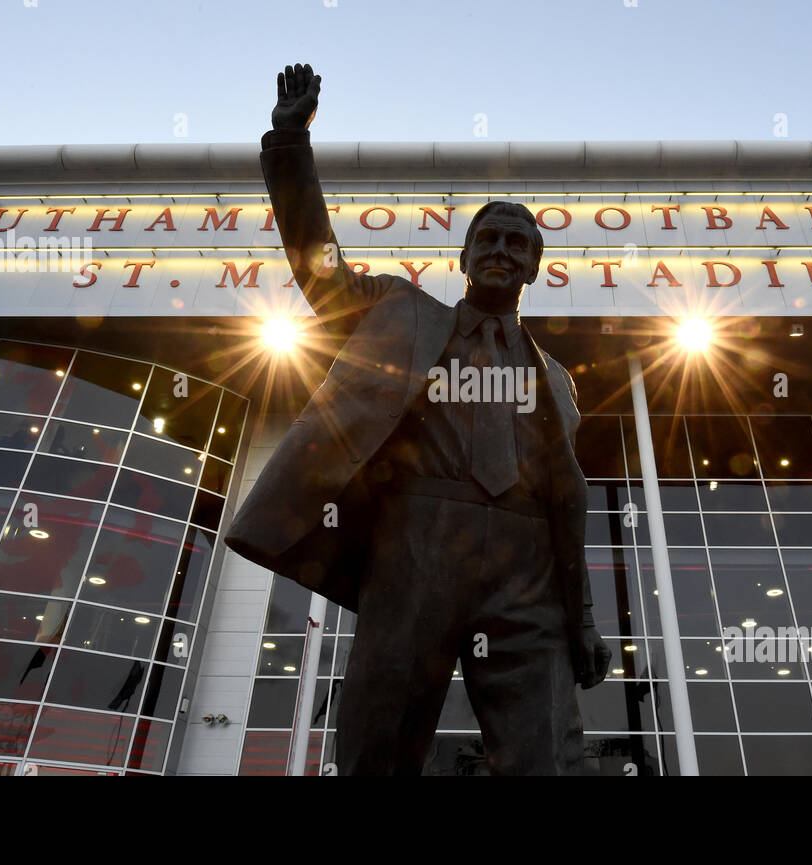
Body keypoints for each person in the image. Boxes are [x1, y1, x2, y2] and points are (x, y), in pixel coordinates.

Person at [225, 63, 610, 775]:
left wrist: (580, 618)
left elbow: (568, 500)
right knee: (381, 744)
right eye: (488, 240)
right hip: (419, 543)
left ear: (533, 269)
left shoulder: (555, 379)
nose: (500, 251)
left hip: (527, 570)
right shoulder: (400, 312)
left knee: (548, 757)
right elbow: (321, 265)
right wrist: (290, 141)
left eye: (516, 245)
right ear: (463, 257)